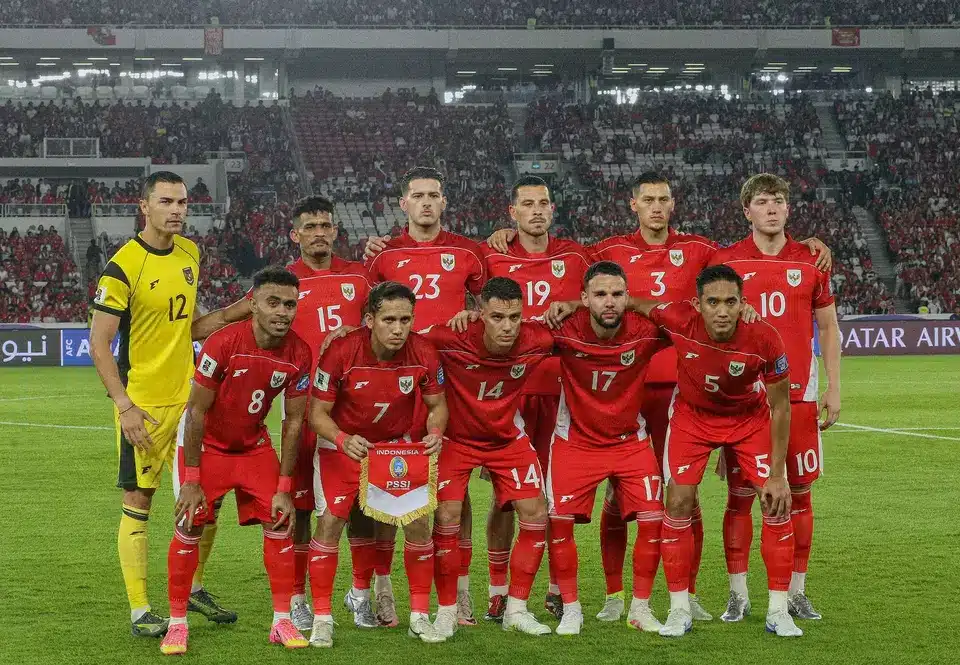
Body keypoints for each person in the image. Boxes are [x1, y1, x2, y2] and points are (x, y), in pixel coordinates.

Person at [487, 172, 830, 622]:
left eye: (663, 199)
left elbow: (743, 261)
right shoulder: (607, 251)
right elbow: (570, 266)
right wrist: (511, 235)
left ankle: (686, 594)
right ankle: (614, 596)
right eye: (647, 199)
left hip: (681, 389)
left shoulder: (701, 250)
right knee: (614, 493)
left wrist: (805, 244)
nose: (655, 206)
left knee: (681, 496)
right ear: (634, 205)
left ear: (672, 204)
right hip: (621, 385)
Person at [89, 171, 248, 637]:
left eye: (182, 202)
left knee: (207, 495)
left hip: (191, 401)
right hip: (145, 405)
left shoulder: (190, 253)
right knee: (139, 499)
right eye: (166, 201)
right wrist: (125, 406)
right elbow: (99, 345)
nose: (177, 210)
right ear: (144, 206)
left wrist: (238, 310)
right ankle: (141, 611)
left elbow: (191, 328)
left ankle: (194, 587)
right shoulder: (122, 266)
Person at [159, 267, 313, 656]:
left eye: (290, 304)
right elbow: (196, 412)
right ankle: (177, 625)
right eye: (273, 302)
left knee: (281, 519)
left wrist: (284, 487)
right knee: (189, 522)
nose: (282, 312)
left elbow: (294, 421)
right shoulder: (223, 342)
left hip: (252, 448)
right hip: (206, 447)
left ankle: (281, 621)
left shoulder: (299, 352)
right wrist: (191, 479)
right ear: (253, 304)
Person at [640, 265, 800, 638]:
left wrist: (778, 475)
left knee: (775, 501)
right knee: (678, 502)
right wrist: (573, 305)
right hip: (692, 419)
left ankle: (778, 611)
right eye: (713, 302)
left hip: (748, 420)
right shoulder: (679, 319)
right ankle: (679, 610)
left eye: (731, 302)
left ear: (743, 303)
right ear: (697, 305)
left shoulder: (765, 337)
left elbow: (781, 406)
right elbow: (636, 303)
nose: (723, 311)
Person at [710, 173, 842, 622]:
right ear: (746, 210)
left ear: (788, 208)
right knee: (740, 497)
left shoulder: (811, 259)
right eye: (763, 201)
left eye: (779, 201)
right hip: (744, 402)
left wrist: (834, 387)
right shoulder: (725, 261)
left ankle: (797, 590)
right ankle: (738, 593)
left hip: (799, 396)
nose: (771, 208)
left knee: (799, 494)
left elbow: (828, 326)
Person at [363, 166, 486, 625]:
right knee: (387, 487)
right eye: (418, 195)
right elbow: (365, 318)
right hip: (396, 385)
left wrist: (473, 317)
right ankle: (383, 589)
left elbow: (490, 307)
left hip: (451, 383)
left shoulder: (468, 252)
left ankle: (461, 592)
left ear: (445, 201)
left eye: (434, 194)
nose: (427, 202)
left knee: (456, 490)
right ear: (404, 203)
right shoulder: (382, 255)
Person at [306, 281, 449, 647]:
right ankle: (322, 619)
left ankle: (419, 616)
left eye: (405, 320)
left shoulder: (424, 352)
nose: (398, 329)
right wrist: (342, 439)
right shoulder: (341, 351)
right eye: (388, 320)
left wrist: (434, 432)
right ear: (369, 319)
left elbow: (437, 405)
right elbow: (317, 413)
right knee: (330, 522)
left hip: (393, 450)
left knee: (419, 523)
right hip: (342, 446)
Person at [478, 175, 593, 622]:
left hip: (564, 393)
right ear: (512, 212)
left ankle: (555, 589)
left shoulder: (577, 256)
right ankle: (498, 590)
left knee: (557, 496)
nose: (537, 211)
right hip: (509, 395)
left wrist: (577, 307)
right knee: (505, 498)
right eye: (527, 204)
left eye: (543, 203)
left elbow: (610, 289)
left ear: (552, 208)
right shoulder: (491, 256)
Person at [539, 261, 671, 636]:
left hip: (629, 442)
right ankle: (571, 609)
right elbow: (512, 334)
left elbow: (689, 320)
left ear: (627, 297)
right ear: (584, 299)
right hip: (576, 442)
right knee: (560, 524)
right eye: (600, 295)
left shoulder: (645, 332)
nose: (609, 302)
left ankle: (640, 609)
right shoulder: (564, 330)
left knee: (653, 519)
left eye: (616, 294)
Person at [422, 277, 554, 637]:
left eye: (514, 317)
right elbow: (405, 340)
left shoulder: (537, 340)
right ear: (479, 314)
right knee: (446, 515)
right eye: (497, 317)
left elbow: (583, 332)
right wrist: (351, 334)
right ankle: (446, 611)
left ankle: (516, 609)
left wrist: (570, 306)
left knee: (536, 513)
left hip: (506, 439)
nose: (507, 326)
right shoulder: (450, 337)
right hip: (456, 439)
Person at [281, 195, 375, 630]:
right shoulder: (284, 282)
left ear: (336, 231)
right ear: (295, 234)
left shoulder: (360, 276)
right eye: (310, 226)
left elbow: (386, 320)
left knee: (361, 505)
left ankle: (360, 593)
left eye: (325, 225)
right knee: (301, 509)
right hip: (302, 412)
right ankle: (297, 597)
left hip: (353, 412)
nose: (319, 233)